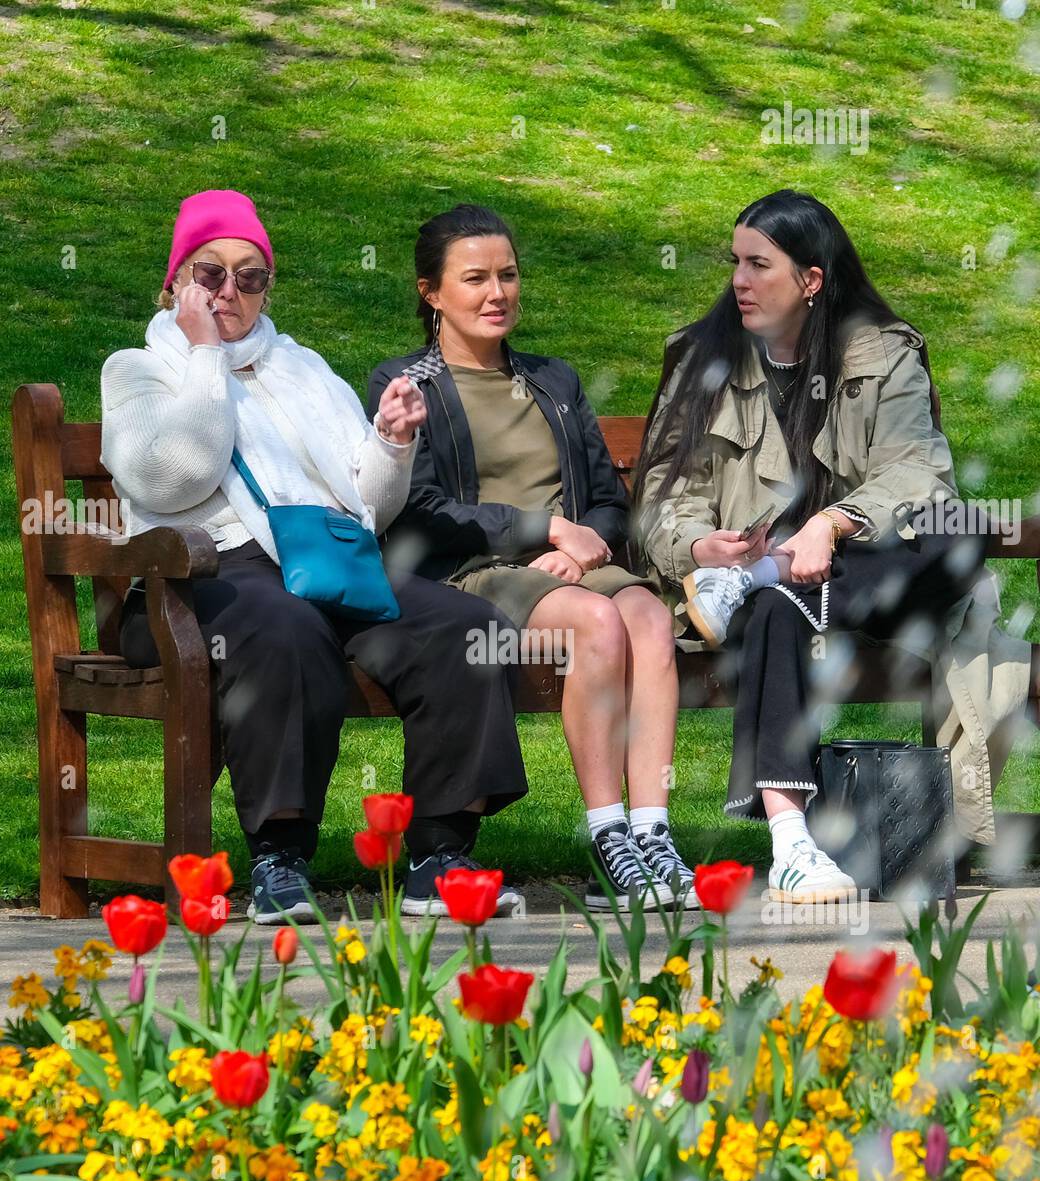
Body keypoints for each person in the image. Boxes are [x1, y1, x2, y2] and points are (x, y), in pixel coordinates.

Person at [101, 189, 529, 924]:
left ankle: (438, 854)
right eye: (209, 274)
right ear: (175, 282)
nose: (230, 291)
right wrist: (205, 356)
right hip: (193, 578)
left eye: (250, 276)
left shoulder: (298, 366)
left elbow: (370, 503)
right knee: (285, 631)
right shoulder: (138, 371)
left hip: (322, 569)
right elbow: (175, 476)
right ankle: (280, 857)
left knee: (464, 627)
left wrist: (393, 441)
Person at [635, 188, 1033, 904]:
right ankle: (791, 843)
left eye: (759, 265)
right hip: (754, 588)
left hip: (862, 570)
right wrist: (702, 551)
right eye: (735, 262)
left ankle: (767, 577)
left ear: (811, 280)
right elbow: (664, 499)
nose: (739, 281)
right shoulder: (704, 359)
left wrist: (830, 524)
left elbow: (918, 473)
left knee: (956, 531)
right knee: (782, 609)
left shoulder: (884, 352)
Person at [368, 204, 698, 911]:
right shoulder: (406, 383)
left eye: (509, 276)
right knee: (598, 625)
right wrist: (544, 529)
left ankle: (652, 832)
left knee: (647, 618)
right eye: (476, 279)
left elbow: (610, 503)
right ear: (430, 292)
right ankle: (608, 836)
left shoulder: (554, 381)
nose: (498, 294)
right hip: (475, 571)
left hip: (572, 566)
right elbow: (420, 509)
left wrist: (584, 545)